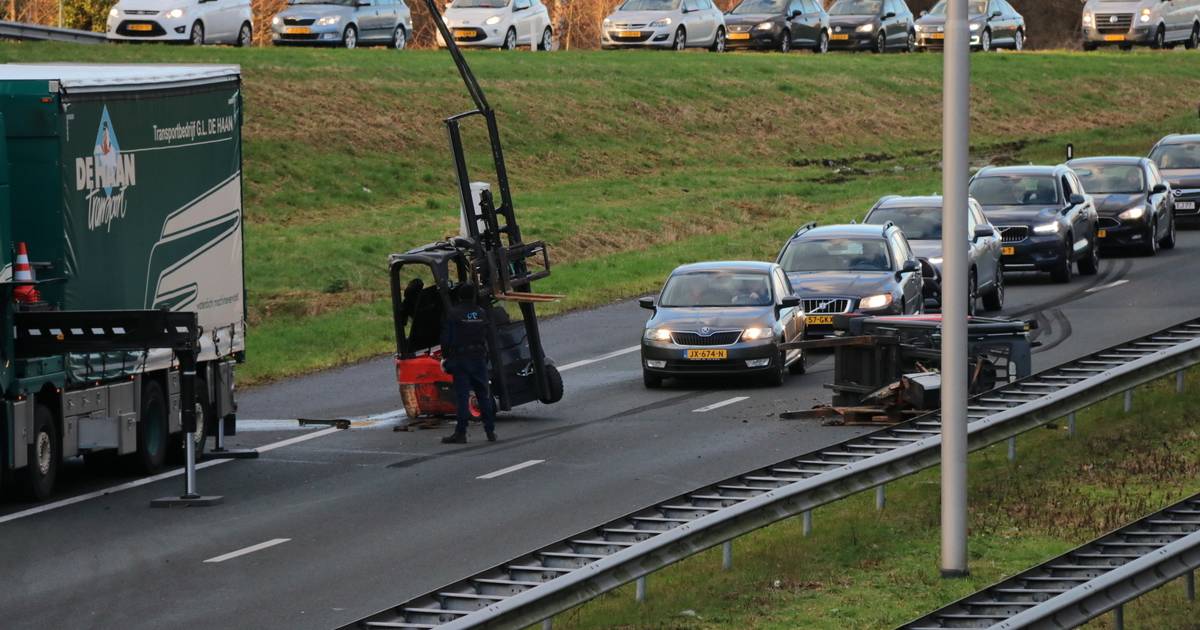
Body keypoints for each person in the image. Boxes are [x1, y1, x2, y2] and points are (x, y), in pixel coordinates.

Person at [441, 283, 497, 444]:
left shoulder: (453, 314)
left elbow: (446, 339)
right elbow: (488, 335)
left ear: (459, 296)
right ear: (473, 296)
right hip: (478, 357)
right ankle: (490, 431)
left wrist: (446, 358)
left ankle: (461, 433)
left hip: (461, 359)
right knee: (483, 395)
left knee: (462, 396)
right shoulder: (481, 313)